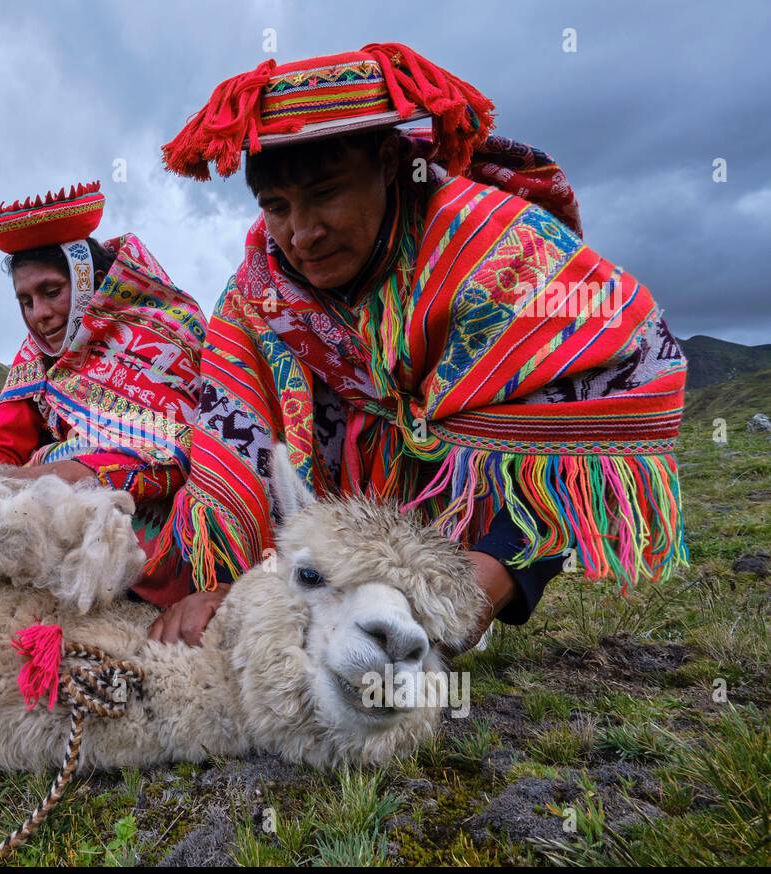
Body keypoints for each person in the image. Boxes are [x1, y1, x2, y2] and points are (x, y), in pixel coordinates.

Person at [146, 43, 687, 646]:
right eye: (276, 206)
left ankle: (462, 581)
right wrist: (232, 587)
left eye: (325, 193)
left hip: (460, 509)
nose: (302, 232)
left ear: (386, 163)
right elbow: (234, 440)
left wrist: (487, 577)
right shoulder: (258, 296)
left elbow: (623, 370)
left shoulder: (494, 246)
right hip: (331, 521)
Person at [0, 180, 206, 604]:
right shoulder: (36, 357)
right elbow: (8, 442)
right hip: (48, 497)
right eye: (25, 301)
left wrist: (73, 474)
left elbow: (178, 448)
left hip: (149, 517)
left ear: (87, 281)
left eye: (51, 292)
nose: (40, 315)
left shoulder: (165, 330)